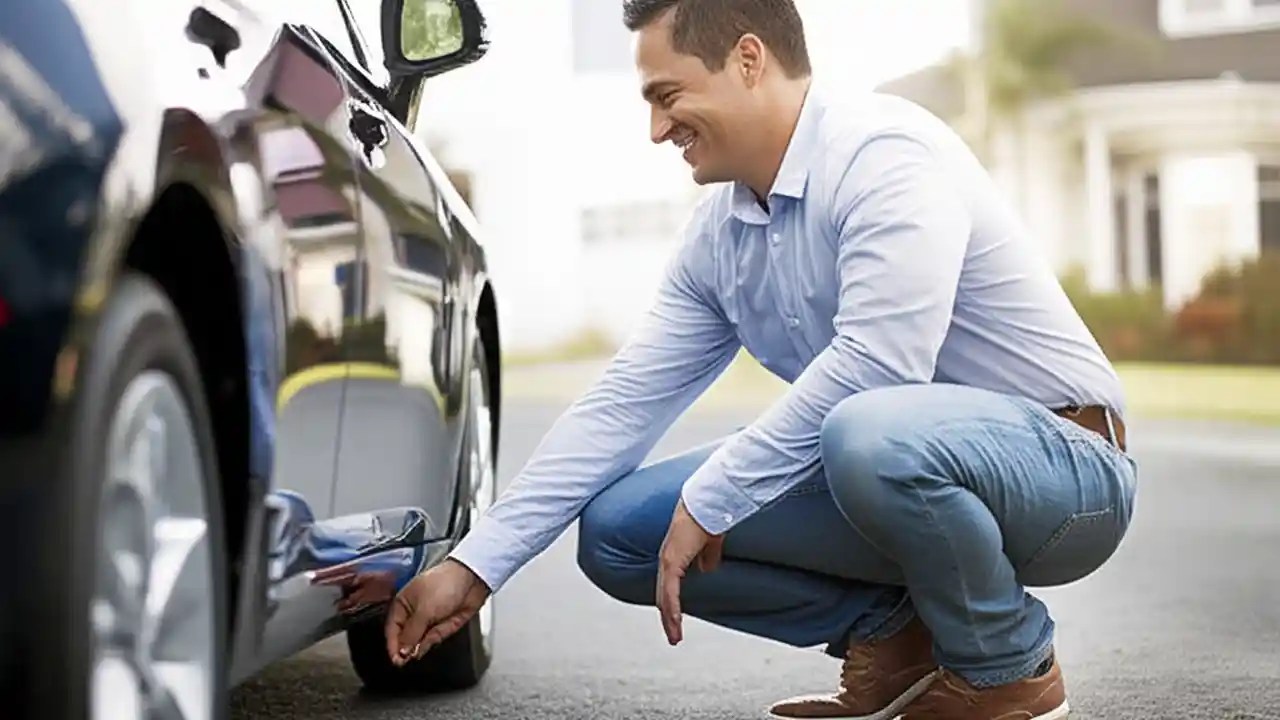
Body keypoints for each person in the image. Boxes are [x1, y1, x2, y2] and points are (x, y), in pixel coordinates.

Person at [383, 0, 1139, 717]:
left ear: (748, 59)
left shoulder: (883, 154)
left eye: (667, 94)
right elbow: (621, 405)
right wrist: (475, 566)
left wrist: (716, 495)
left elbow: (884, 363)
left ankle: (1009, 670)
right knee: (619, 534)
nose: (655, 128)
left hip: (1068, 474)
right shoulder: (721, 233)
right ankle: (896, 636)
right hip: (897, 464)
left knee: (863, 431)